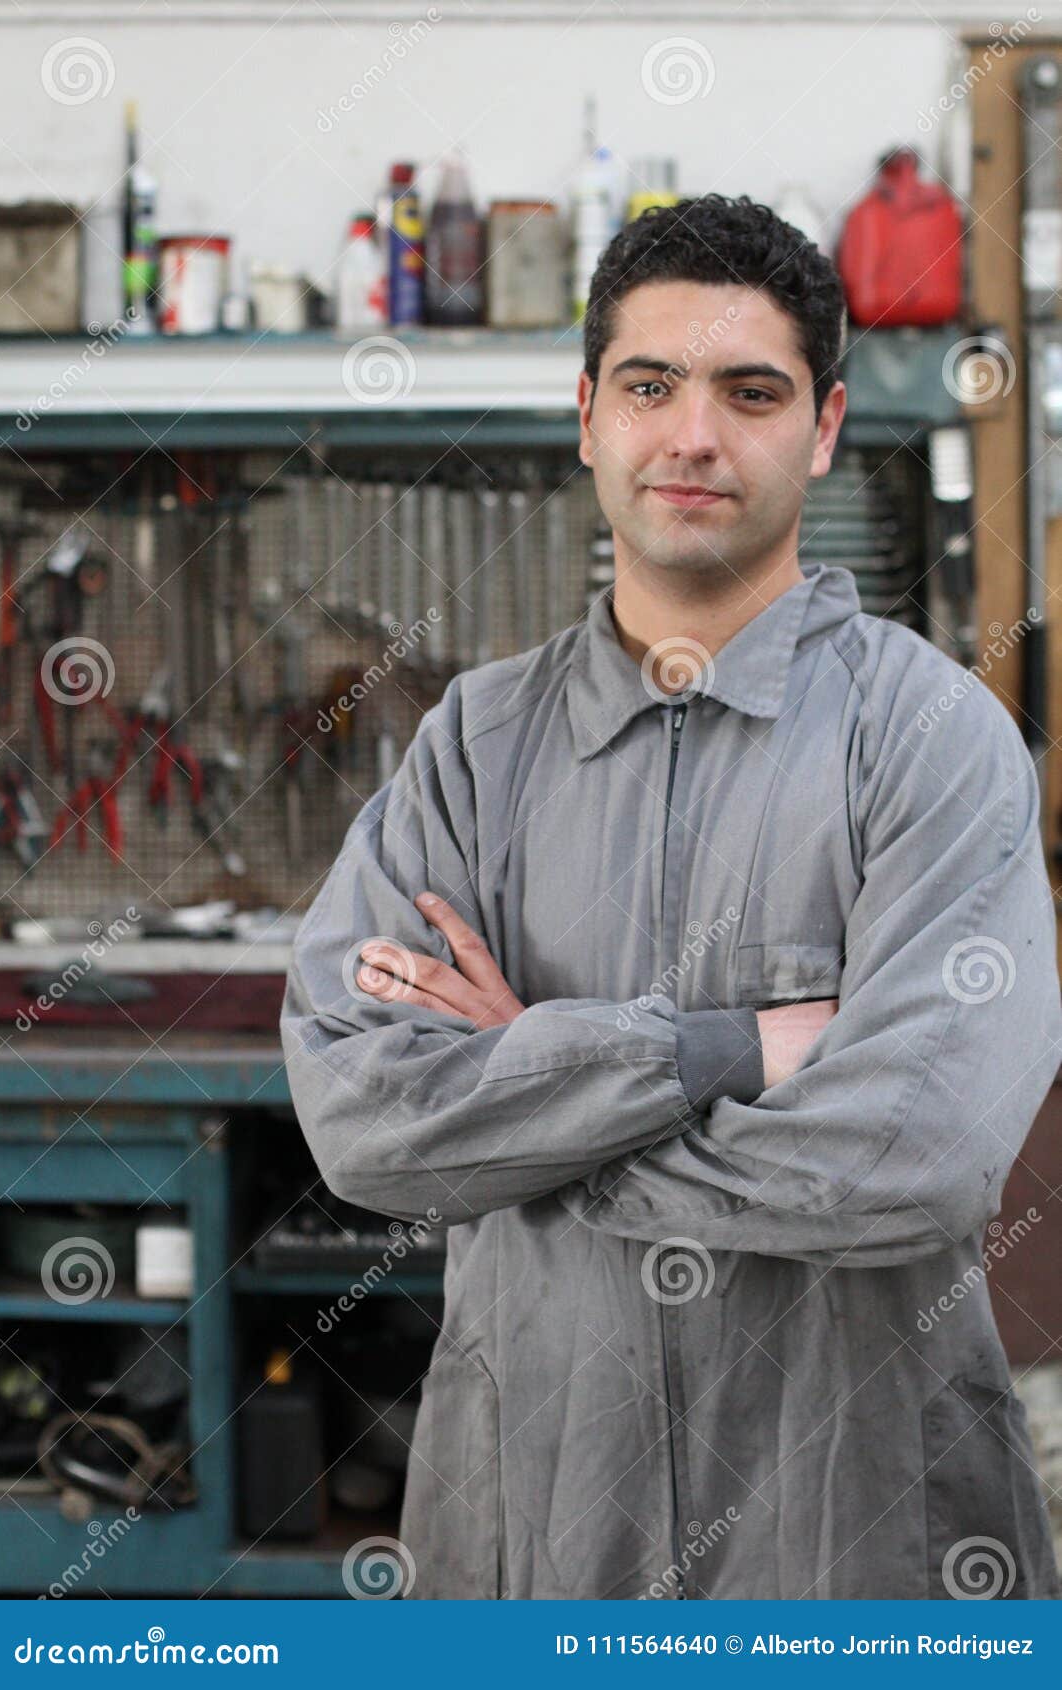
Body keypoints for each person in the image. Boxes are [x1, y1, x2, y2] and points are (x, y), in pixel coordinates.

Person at [280, 194, 1062, 1600]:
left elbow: (918, 1152)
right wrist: (717, 1052)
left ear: (822, 430)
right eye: (651, 385)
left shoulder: (935, 741)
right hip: (536, 1527)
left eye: (750, 392)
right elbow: (363, 1116)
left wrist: (543, 1115)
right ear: (589, 414)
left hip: (849, 1539)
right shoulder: (473, 748)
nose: (693, 435)